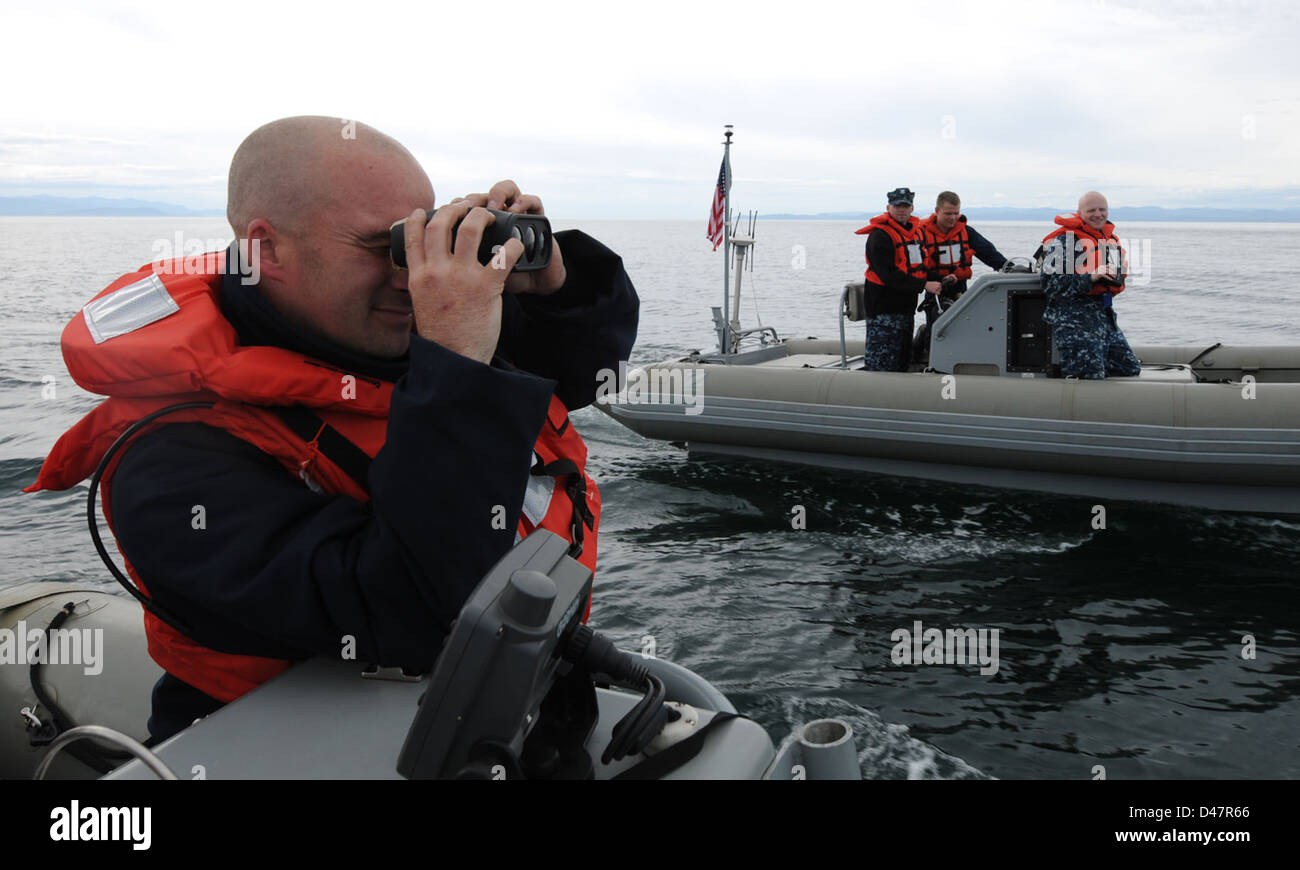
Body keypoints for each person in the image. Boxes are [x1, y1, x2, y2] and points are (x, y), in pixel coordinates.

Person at [26, 116, 639, 741]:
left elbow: (585, 374)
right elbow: (416, 614)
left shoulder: (396, 328)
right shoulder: (165, 456)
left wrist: (551, 289)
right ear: (267, 249)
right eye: (383, 247)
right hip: (280, 746)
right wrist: (455, 367)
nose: (410, 272)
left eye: (419, 239)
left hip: (515, 712)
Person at [1037, 191, 1141, 378]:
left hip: (1104, 318)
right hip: (1075, 323)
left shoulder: (1107, 240)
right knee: (1089, 377)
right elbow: (1050, 284)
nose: (1098, 214)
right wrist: (1090, 277)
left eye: (1102, 209)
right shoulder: (1064, 241)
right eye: (1091, 210)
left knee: (1129, 368)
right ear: (1080, 213)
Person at [911, 191, 1008, 364]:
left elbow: (988, 252)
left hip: (960, 288)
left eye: (956, 213)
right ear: (937, 210)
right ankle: (928, 354)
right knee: (937, 325)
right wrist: (937, 279)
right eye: (948, 213)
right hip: (936, 290)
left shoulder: (966, 232)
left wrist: (1008, 267)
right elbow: (917, 265)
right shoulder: (922, 233)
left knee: (963, 326)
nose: (953, 217)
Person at [854, 187, 940, 371]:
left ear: (912, 208)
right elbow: (889, 274)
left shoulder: (916, 234)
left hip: (906, 309)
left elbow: (919, 267)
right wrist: (924, 285)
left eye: (905, 205)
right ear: (888, 207)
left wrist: (939, 279)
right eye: (897, 205)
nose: (901, 209)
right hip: (883, 309)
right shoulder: (880, 236)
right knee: (882, 361)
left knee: (902, 357)